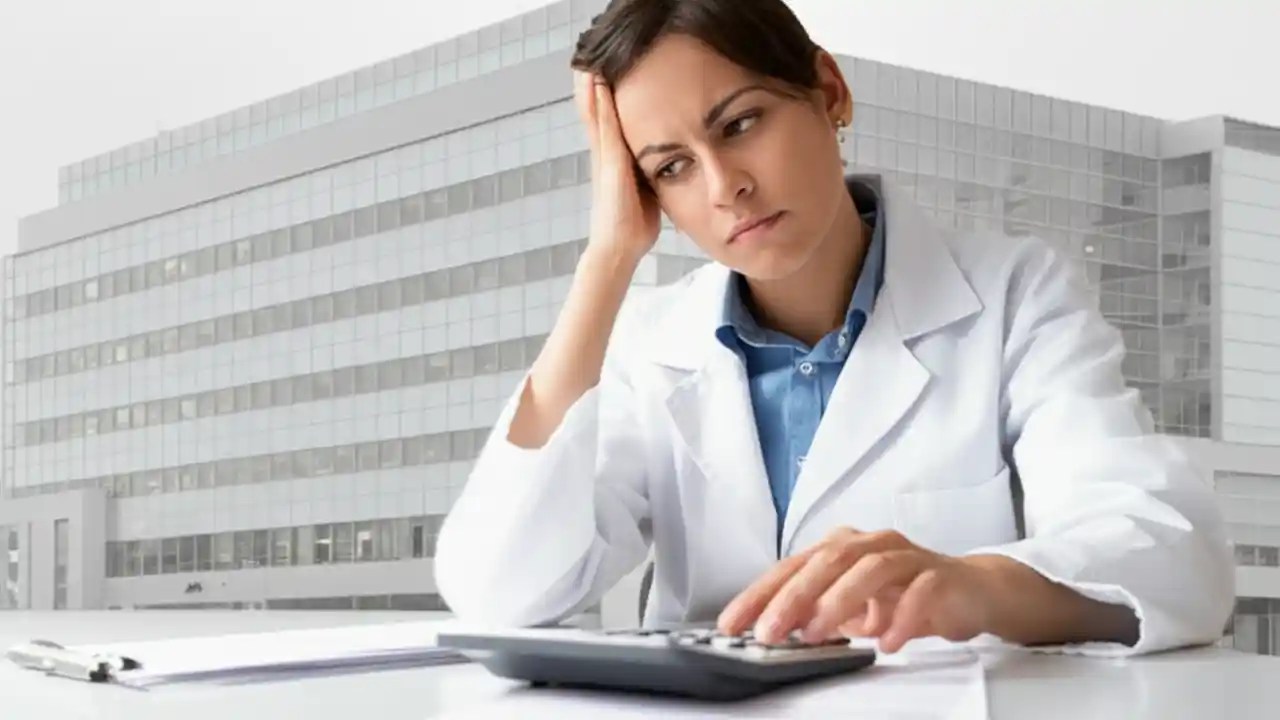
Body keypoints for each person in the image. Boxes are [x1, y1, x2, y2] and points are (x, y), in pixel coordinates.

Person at [435, 0, 1234, 655]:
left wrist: (971, 585)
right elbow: (499, 590)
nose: (725, 187)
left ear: (828, 89)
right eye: (669, 168)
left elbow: (1174, 561)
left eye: (741, 123)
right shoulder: (652, 339)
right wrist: (607, 260)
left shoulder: (1014, 293)